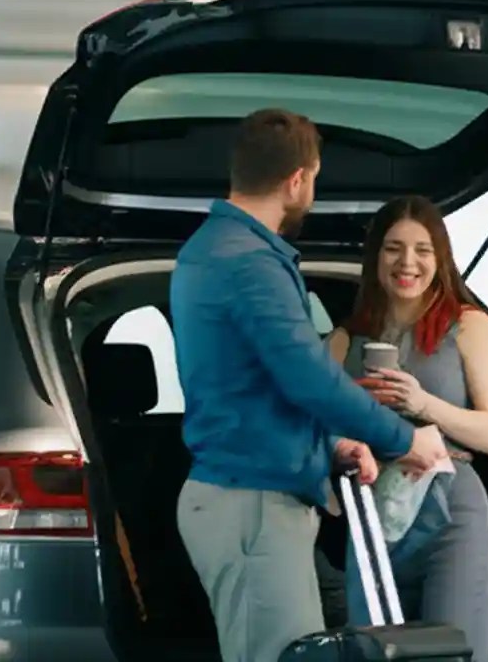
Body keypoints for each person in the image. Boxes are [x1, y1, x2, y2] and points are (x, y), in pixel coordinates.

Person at [171, 109, 449, 662]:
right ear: (297, 179)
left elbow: (258, 388)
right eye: (314, 179)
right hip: (253, 505)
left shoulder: (212, 249)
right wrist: (405, 439)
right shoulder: (251, 262)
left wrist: (332, 445)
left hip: (244, 494)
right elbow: (311, 380)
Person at [326, 195, 488, 662]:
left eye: (423, 250)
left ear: (440, 258)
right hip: (371, 514)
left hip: (451, 508)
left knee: (454, 652)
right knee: (373, 653)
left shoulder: (468, 327)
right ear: (376, 258)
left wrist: (422, 403)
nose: (408, 262)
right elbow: (316, 429)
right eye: (393, 248)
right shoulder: (345, 339)